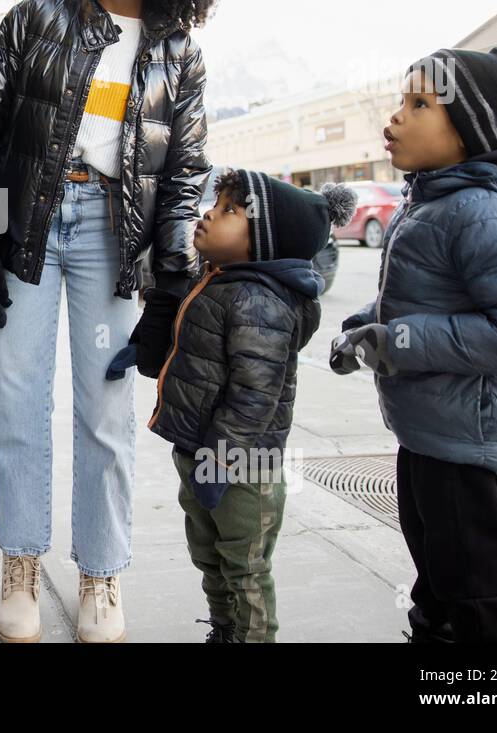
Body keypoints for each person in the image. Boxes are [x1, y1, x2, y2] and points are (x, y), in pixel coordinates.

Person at [0, 0, 230, 642]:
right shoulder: (36, 19)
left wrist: (174, 274)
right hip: (32, 227)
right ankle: (19, 564)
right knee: (16, 402)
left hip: (115, 239)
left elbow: (184, 170)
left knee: (106, 412)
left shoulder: (178, 53)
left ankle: (100, 576)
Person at [331, 44, 497, 643]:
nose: (397, 116)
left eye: (420, 104)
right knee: (438, 584)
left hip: (469, 447)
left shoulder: (485, 212)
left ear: (471, 130)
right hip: (429, 437)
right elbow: (424, 301)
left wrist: (397, 341)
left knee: (479, 598)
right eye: (402, 99)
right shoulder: (435, 199)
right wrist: (366, 326)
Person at [148, 169, 354, 641]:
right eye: (215, 204)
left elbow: (254, 395)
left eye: (228, 211)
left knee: (245, 565)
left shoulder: (259, 300)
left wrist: (220, 459)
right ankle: (224, 631)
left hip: (241, 466)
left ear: (262, 240)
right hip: (200, 452)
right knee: (209, 554)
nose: (208, 213)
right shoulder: (222, 282)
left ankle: (253, 636)